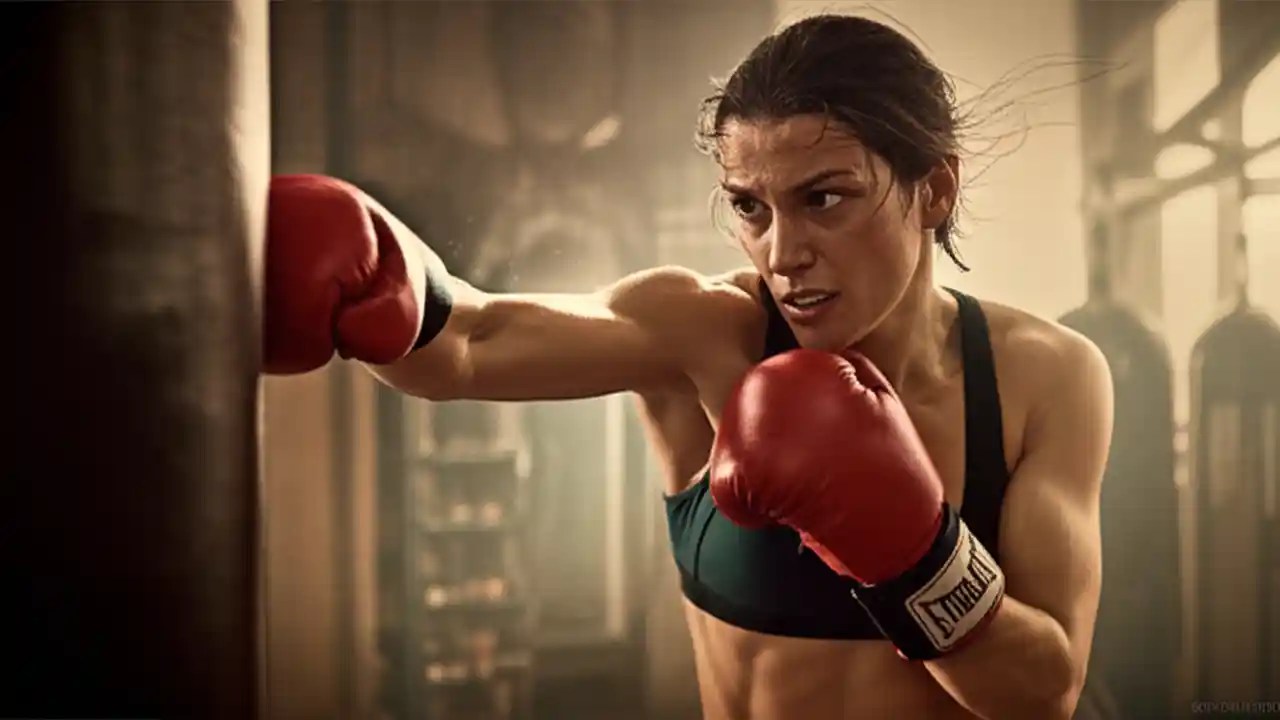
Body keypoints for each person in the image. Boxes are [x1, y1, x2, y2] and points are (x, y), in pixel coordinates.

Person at [264, 14, 1111, 720]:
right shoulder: (704, 335)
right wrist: (384, 277)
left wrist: (913, 552)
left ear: (935, 190)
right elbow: (467, 346)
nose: (784, 253)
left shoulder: (1047, 378)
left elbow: (1043, 692)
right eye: (750, 207)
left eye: (824, 198)